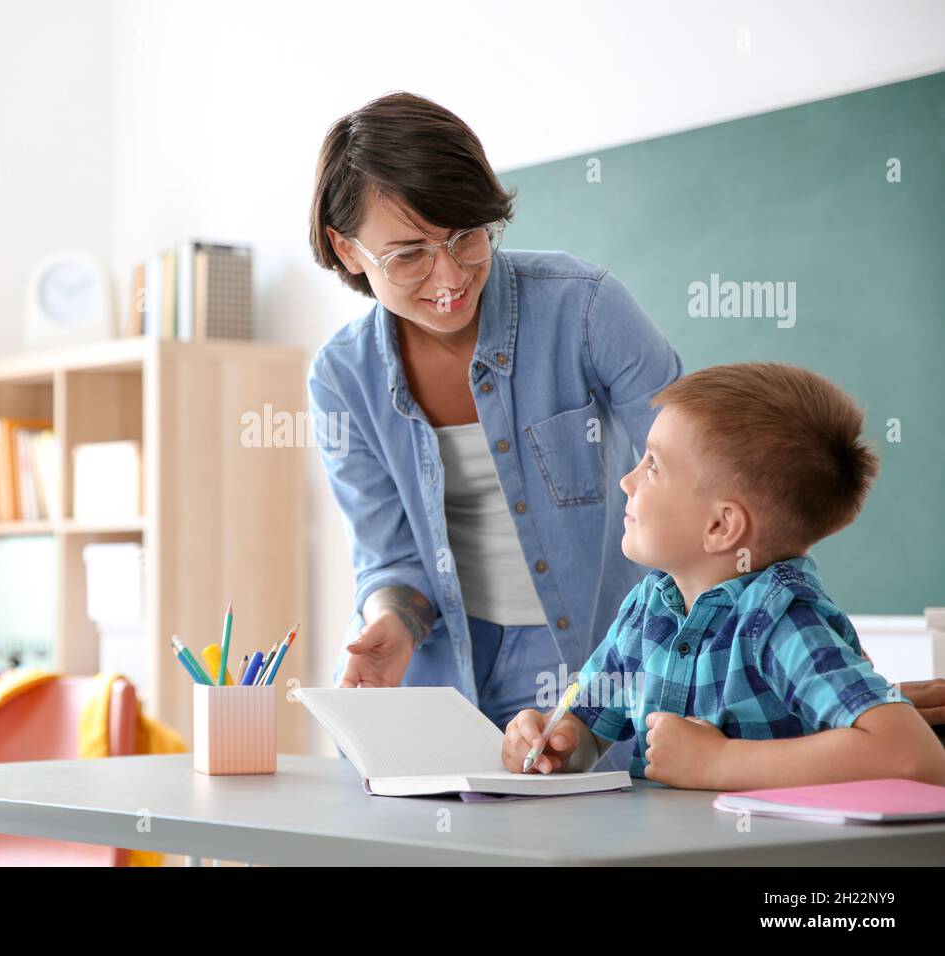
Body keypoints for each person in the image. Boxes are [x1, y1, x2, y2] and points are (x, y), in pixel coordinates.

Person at [307, 91, 681, 771]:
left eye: (467, 237)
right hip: (437, 674)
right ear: (348, 248)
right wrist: (390, 623)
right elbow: (389, 560)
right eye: (409, 254)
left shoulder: (585, 307)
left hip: (594, 673)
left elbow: (698, 464)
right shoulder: (341, 378)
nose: (450, 277)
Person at [502, 362, 945, 788]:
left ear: (721, 527)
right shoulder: (648, 606)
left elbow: (914, 757)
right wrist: (556, 745)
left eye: (653, 466)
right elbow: (590, 727)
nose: (627, 480)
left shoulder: (782, 622)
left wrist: (719, 762)